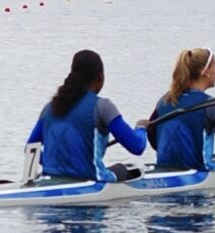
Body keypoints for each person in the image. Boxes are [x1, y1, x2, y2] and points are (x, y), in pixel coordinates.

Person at [26, 49, 149, 182]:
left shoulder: (49, 108)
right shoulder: (102, 107)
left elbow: (30, 148)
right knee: (123, 169)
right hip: (90, 180)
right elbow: (137, 147)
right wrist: (141, 128)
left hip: (49, 179)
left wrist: (53, 164)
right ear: (100, 77)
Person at [147, 48, 215, 171]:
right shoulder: (212, 105)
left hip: (164, 169)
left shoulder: (165, 100)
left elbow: (154, 140)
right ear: (206, 72)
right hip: (198, 172)